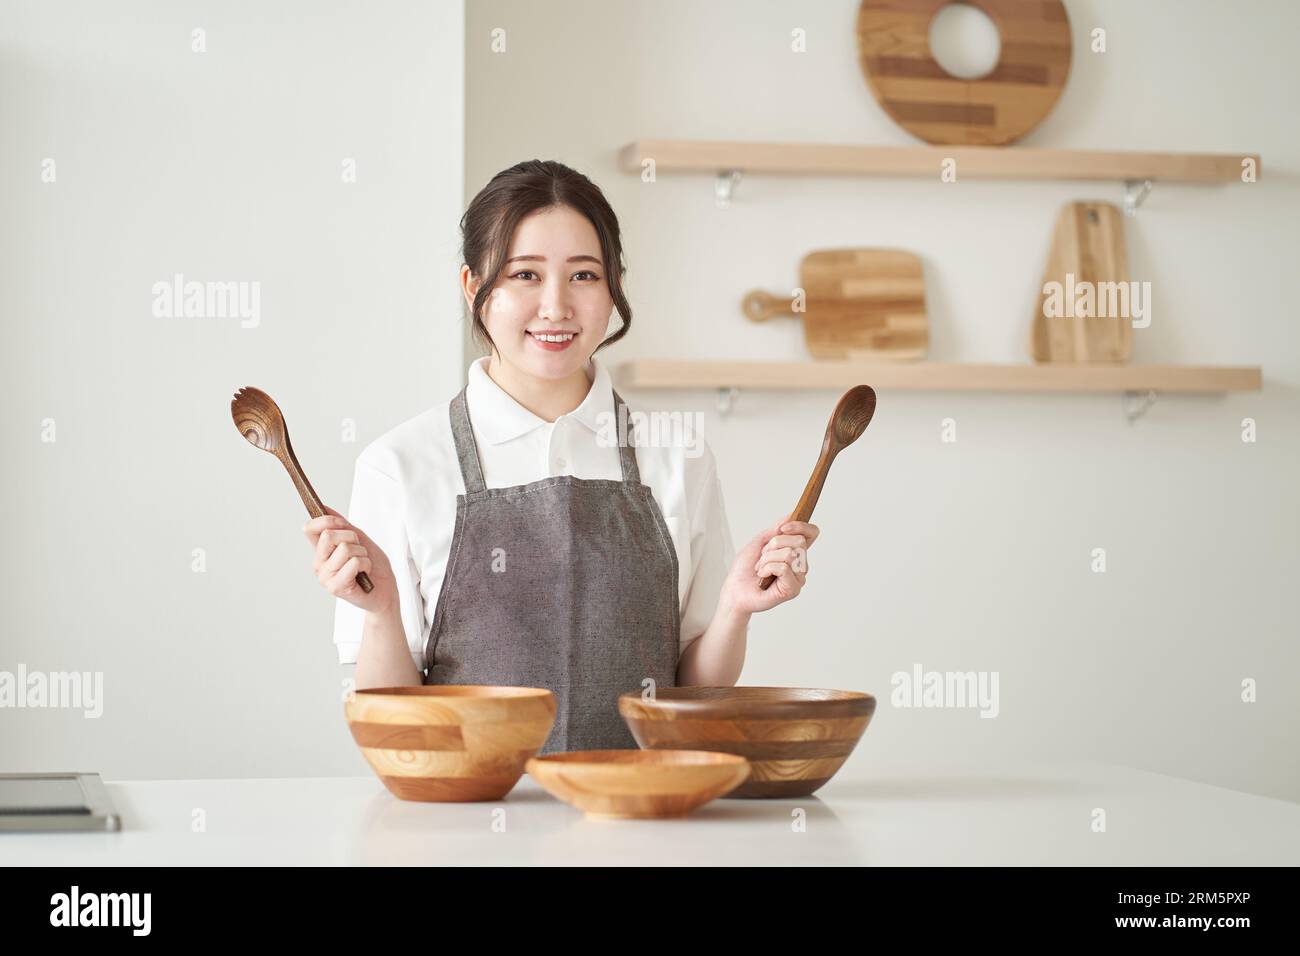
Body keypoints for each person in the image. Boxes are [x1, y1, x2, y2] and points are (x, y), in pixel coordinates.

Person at [305, 159, 819, 753]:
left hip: (638, 822)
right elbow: (395, 724)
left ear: (613, 286)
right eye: (525, 275)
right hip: (471, 826)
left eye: (583, 276)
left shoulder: (679, 456)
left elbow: (692, 694)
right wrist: (382, 612)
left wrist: (734, 608)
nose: (555, 307)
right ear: (475, 287)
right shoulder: (398, 466)